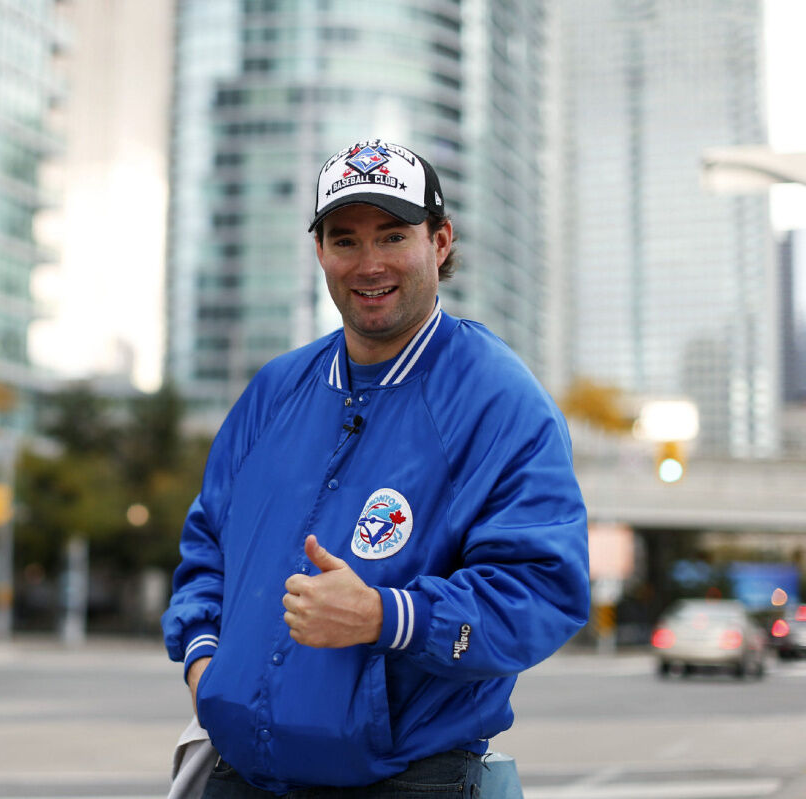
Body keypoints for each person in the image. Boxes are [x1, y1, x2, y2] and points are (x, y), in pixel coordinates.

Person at [161, 138, 590, 797]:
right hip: (239, 772)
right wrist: (204, 666)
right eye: (344, 240)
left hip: (404, 780)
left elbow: (542, 590)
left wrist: (387, 615)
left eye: (392, 236)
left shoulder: (498, 399)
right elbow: (205, 550)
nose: (368, 264)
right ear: (319, 252)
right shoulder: (275, 390)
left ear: (440, 241)